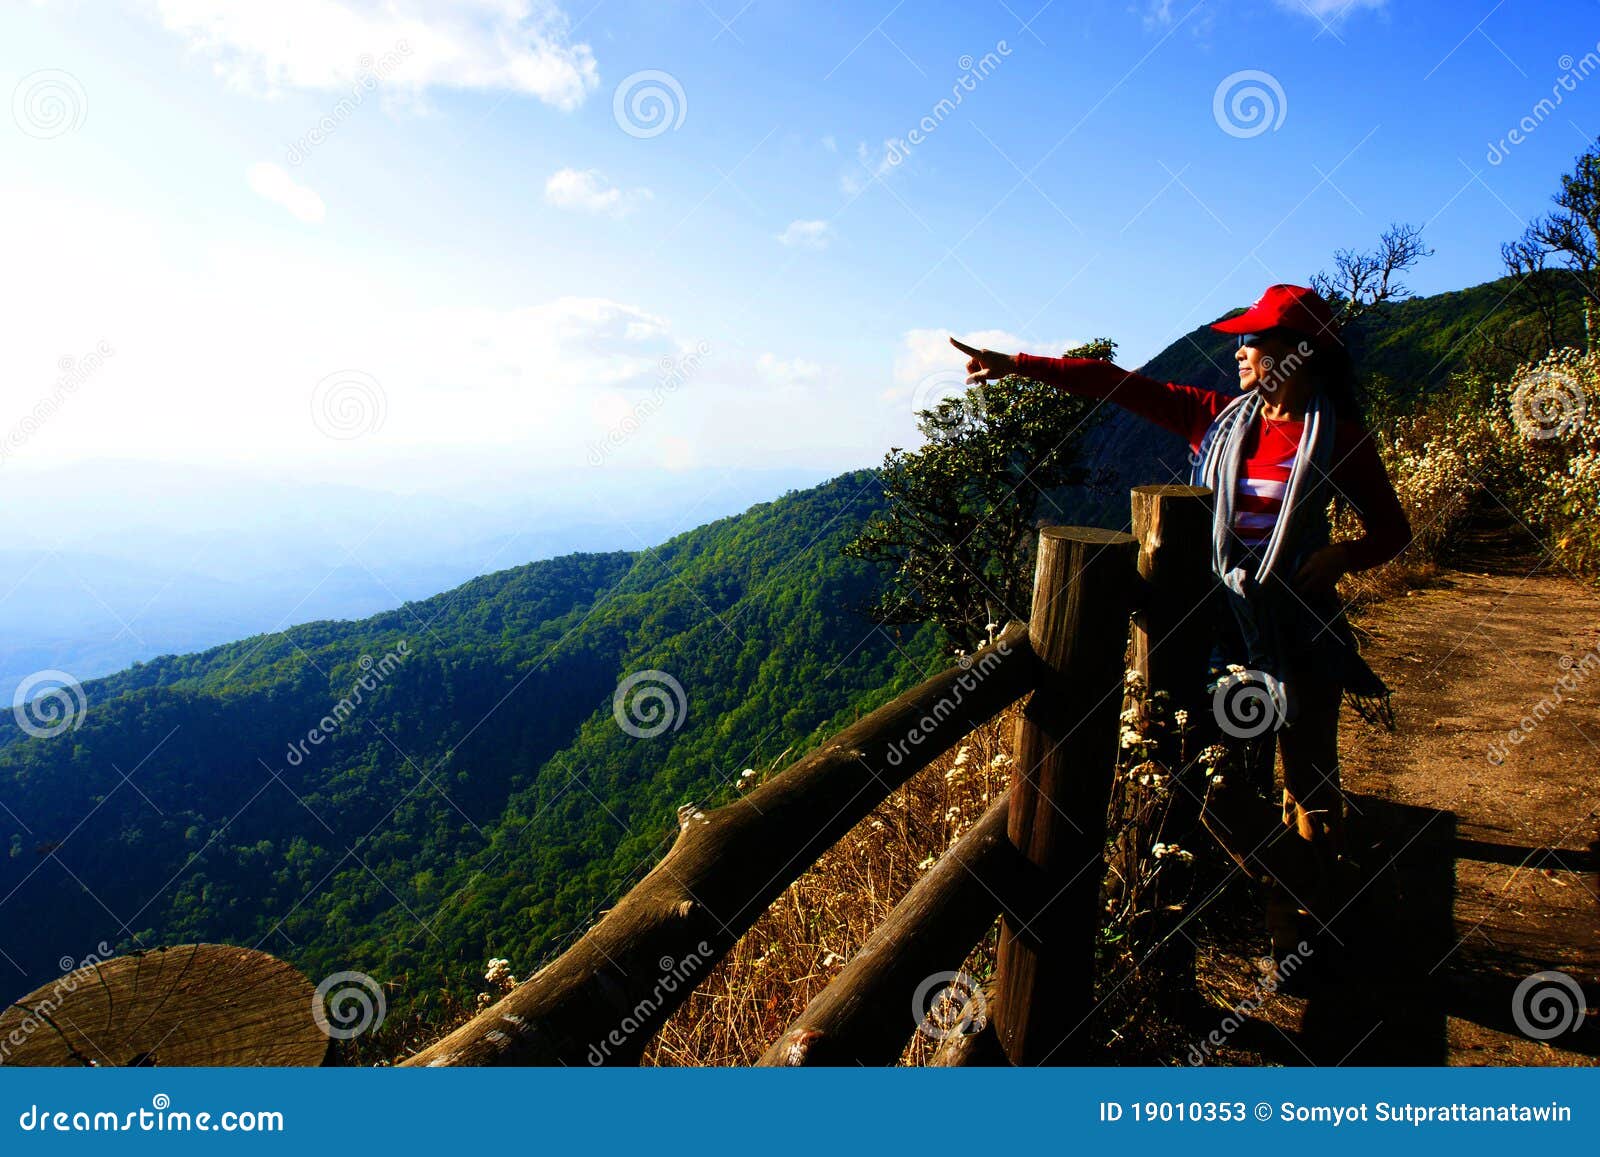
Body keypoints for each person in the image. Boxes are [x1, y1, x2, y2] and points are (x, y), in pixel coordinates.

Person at [950, 284, 1411, 964]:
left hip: (1303, 633)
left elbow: (1392, 530)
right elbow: (1118, 385)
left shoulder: (1336, 434)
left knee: (1308, 785)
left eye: (1254, 340)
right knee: (1207, 779)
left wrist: (1340, 555)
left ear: (1298, 354)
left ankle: (1301, 933)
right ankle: (1325, 892)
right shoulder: (1218, 420)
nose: (1241, 350)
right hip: (1223, 634)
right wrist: (1019, 364)